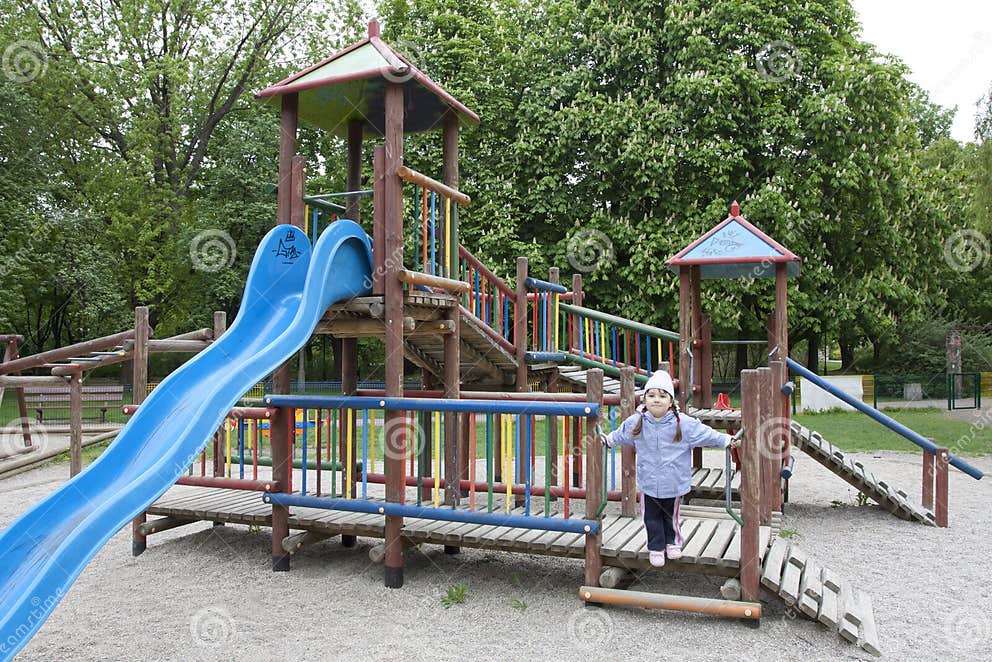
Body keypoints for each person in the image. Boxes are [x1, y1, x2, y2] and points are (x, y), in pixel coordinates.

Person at [600, 369, 739, 567]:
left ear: (671, 401)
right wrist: (608, 440)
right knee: (651, 518)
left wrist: (726, 439)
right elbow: (620, 434)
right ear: (644, 399)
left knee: (670, 516)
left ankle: (672, 543)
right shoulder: (637, 422)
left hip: (673, 483)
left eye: (662, 396)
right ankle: (656, 547)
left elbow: (706, 434)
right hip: (649, 483)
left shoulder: (683, 424)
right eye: (651, 395)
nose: (656, 400)